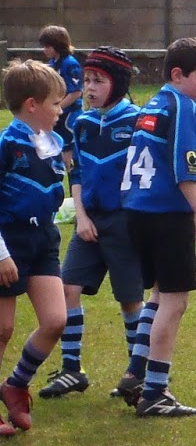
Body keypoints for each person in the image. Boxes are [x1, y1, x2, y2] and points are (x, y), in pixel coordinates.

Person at [117, 37, 196, 418]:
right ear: (178, 75)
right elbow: (184, 165)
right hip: (166, 212)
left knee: (159, 294)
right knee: (175, 301)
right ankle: (156, 390)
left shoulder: (152, 104)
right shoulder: (182, 106)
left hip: (137, 210)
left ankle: (135, 374)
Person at [40, 48, 145, 400]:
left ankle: (136, 374)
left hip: (125, 223)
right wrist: (82, 216)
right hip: (89, 221)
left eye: (98, 81)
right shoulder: (82, 123)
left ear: (119, 84)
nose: (89, 88)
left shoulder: (137, 121)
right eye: (86, 80)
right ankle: (72, 369)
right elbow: (78, 174)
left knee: (129, 299)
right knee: (67, 288)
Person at [0, 60, 69, 437]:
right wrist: (1, 254)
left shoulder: (52, 142)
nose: (60, 110)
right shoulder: (7, 144)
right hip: (8, 242)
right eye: (55, 103)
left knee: (56, 320)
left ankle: (15, 384)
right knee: (3, 329)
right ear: (31, 105)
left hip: (43, 240)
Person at [38, 25, 83, 150]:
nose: (44, 50)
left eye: (47, 47)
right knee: (55, 143)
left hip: (70, 113)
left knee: (68, 145)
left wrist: (58, 107)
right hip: (59, 112)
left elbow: (76, 92)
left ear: (57, 46)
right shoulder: (53, 62)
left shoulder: (70, 64)